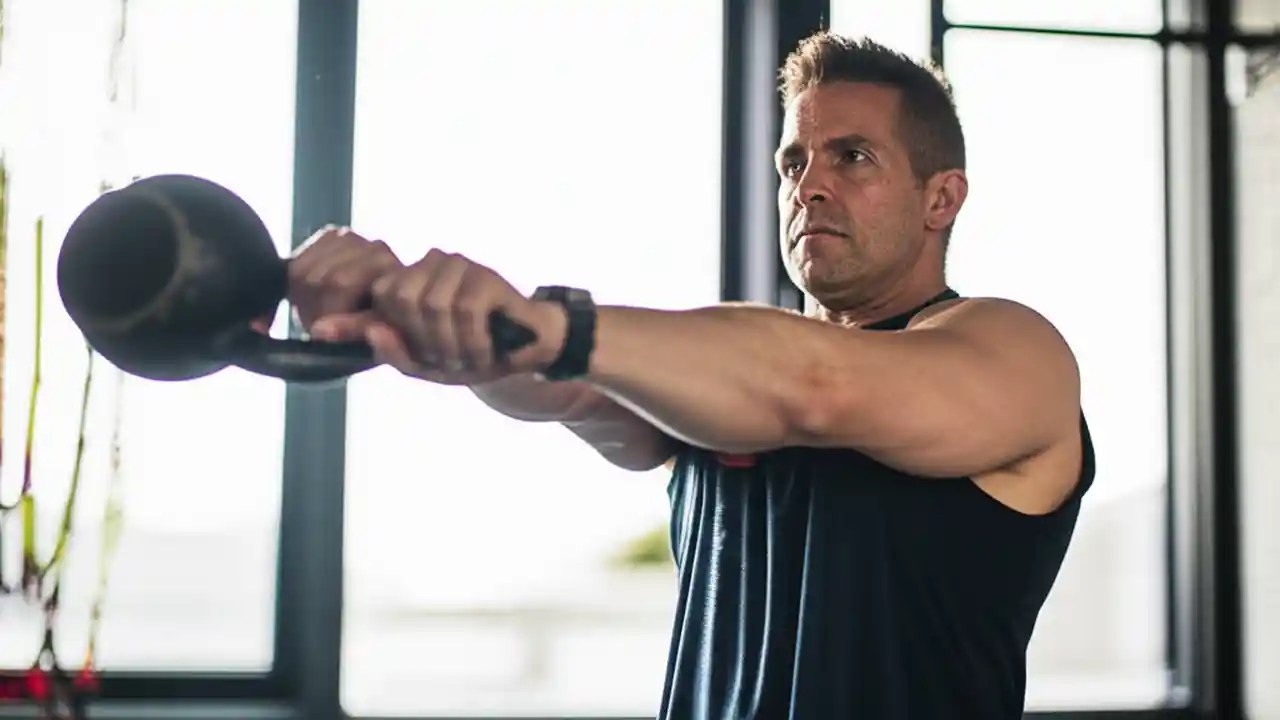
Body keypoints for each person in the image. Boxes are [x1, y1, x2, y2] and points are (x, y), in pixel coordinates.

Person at [285, 32, 1092, 720]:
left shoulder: (1013, 350)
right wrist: (432, 324)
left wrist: (539, 324)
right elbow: (569, 389)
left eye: (853, 158)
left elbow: (816, 389)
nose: (808, 185)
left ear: (940, 199)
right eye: (793, 161)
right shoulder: (723, 372)